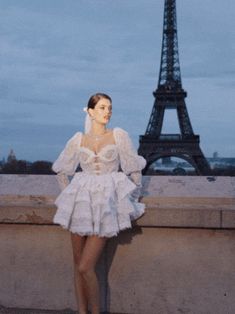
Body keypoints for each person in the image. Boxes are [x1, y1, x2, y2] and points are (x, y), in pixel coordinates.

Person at [52, 93, 146, 314]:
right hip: (80, 202)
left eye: (109, 108)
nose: (107, 112)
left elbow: (134, 169)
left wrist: (130, 200)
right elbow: (62, 171)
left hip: (106, 204)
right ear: (91, 112)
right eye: (102, 108)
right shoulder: (78, 139)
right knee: (77, 265)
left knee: (86, 266)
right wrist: (70, 196)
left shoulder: (118, 136)